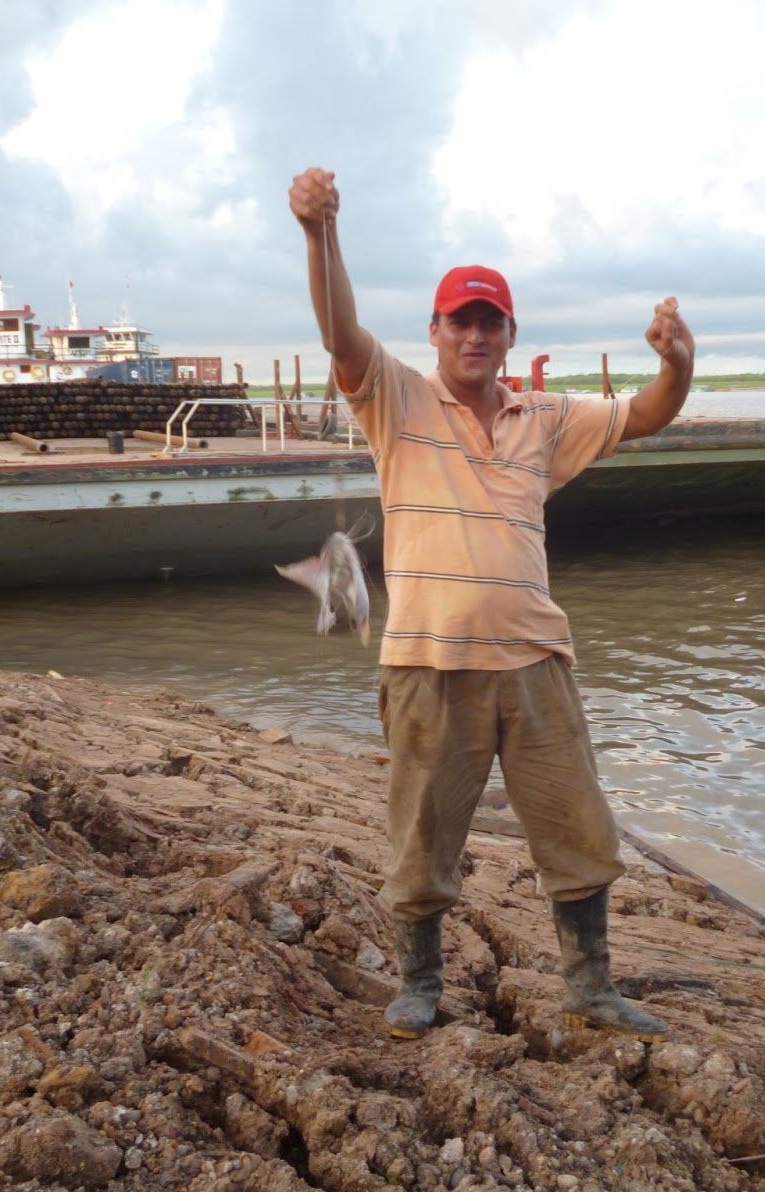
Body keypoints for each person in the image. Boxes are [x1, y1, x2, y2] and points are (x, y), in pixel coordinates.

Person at [290, 167, 695, 1042]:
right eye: (459, 321)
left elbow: (646, 413)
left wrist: (679, 364)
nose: (475, 335)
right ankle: (420, 983)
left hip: (536, 664)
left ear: (510, 335)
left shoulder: (545, 417)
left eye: (490, 322)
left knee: (579, 830)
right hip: (428, 666)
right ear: (434, 332)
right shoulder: (396, 398)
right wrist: (321, 234)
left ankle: (590, 988)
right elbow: (339, 331)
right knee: (422, 838)